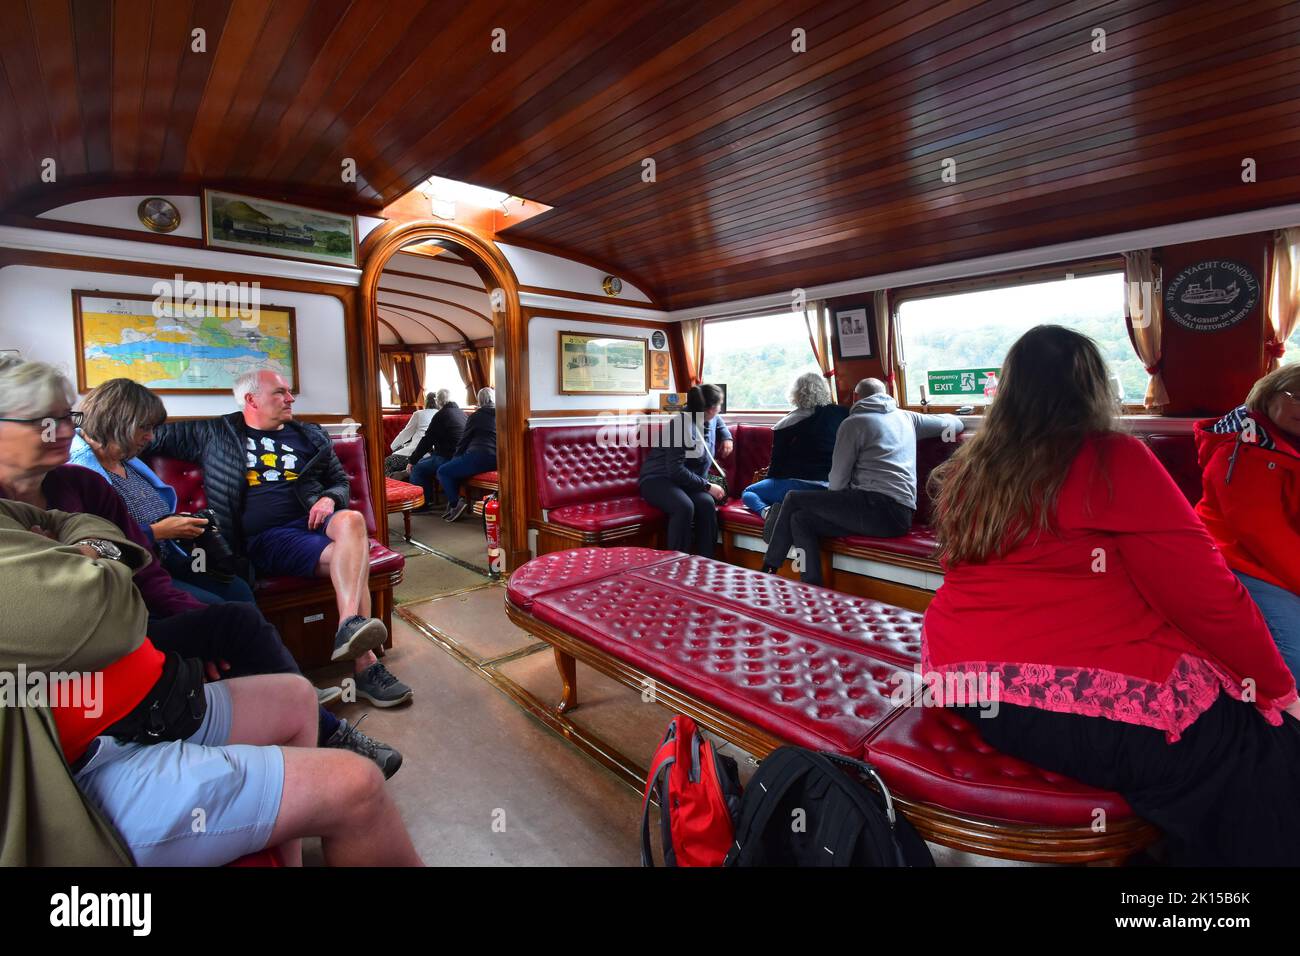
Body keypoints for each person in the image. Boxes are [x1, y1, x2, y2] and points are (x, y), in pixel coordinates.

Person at [923, 325, 1300, 865]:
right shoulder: (1112, 458)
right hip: (1063, 699)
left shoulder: (968, 469)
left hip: (960, 680)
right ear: (1095, 389)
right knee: (1264, 753)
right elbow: (1205, 596)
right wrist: (1278, 689)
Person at [0, 359, 403, 776]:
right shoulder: (208, 433)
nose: (62, 430)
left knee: (240, 614)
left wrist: (331, 498)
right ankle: (317, 715)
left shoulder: (82, 486)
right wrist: (109, 550)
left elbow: (134, 560)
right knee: (237, 613)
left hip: (156, 585)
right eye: (45, 421)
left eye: (69, 418)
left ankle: (337, 668)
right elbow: (80, 584)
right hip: (83, 642)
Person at [0, 498, 422, 867]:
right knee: (358, 785)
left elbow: (80, 528)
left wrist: (86, 551)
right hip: (84, 764)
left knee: (292, 690)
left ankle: (351, 639)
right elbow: (110, 602)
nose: (58, 427)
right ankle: (349, 681)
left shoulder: (43, 492)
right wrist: (98, 554)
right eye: (43, 420)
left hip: (152, 702)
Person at [140, 368, 414, 709]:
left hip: (315, 525)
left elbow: (338, 481)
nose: (290, 398)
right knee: (353, 558)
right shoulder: (213, 432)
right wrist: (91, 442)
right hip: (267, 539)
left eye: (289, 392)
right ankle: (366, 664)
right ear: (251, 399)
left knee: (352, 521)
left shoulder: (310, 435)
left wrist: (330, 497)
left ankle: (348, 626)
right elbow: (145, 436)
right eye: (280, 392)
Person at [70, 377, 254, 605]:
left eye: (153, 428)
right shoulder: (78, 471)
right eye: (144, 428)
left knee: (238, 589)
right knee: (216, 608)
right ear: (116, 421)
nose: (151, 437)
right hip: (134, 571)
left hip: (168, 559)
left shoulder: (125, 458)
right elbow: (98, 542)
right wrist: (158, 531)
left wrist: (178, 523)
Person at [761, 377, 962, 585]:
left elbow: (837, 482)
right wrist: (958, 422)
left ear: (856, 397)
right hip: (901, 517)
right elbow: (953, 423)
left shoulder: (853, 423)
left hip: (872, 507)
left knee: (793, 498)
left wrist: (829, 506)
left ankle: (769, 568)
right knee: (800, 519)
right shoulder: (907, 418)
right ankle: (811, 584)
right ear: (885, 394)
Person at [1194, 364, 1300, 683]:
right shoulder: (1243, 449)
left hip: (1279, 563)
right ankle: (1282, 726)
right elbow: (1262, 535)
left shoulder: (1289, 441)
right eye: (1297, 396)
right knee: (1293, 653)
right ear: (1269, 395)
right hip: (1240, 562)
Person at [740, 371, 848, 517]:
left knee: (749, 492)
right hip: (836, 485)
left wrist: (769, 482)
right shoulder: (842, 414)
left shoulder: (787, 422)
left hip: (801, 484)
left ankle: (767, 513)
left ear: (796, 393)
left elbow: (777, 464)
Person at [639, 384, 726, 557]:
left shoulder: (710, 417)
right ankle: (678, 563)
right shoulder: (680, 426)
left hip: (686, 481)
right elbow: (676, 470)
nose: (720, 410)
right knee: (684, 507)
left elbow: (719, 422)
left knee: (707, 504)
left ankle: (707, 560)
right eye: (719, 406)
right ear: (709, 409)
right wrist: (708, 486)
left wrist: (726, 436)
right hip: (658, 479)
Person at [437, 387, 496, 522]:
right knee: (455, 469)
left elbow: (464, 441)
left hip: (479, 456)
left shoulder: (476, 416)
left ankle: (455, 503)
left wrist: (455, 459)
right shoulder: (503, 414)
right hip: (498, 459)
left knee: (444, 471)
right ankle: (455, 502)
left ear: (479, 401)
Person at [408, 388, 467, 513]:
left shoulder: (441, 415)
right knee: (427, 463)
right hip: (462, 456)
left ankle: (421, 504)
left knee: (418, 468)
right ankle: (430, 499)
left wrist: (412, 460)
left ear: (438, 402)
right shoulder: (461, 413)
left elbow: (427, 440)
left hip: (446, 456)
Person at [385, 391, 439, 476]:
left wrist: (392, 446)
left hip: (416, 452)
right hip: (432, 455)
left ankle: (398, 481)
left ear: (426, 402)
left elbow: (406, 433)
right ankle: (405, 473)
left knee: (386, 463)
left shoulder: (419, 414)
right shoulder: (442, 414)